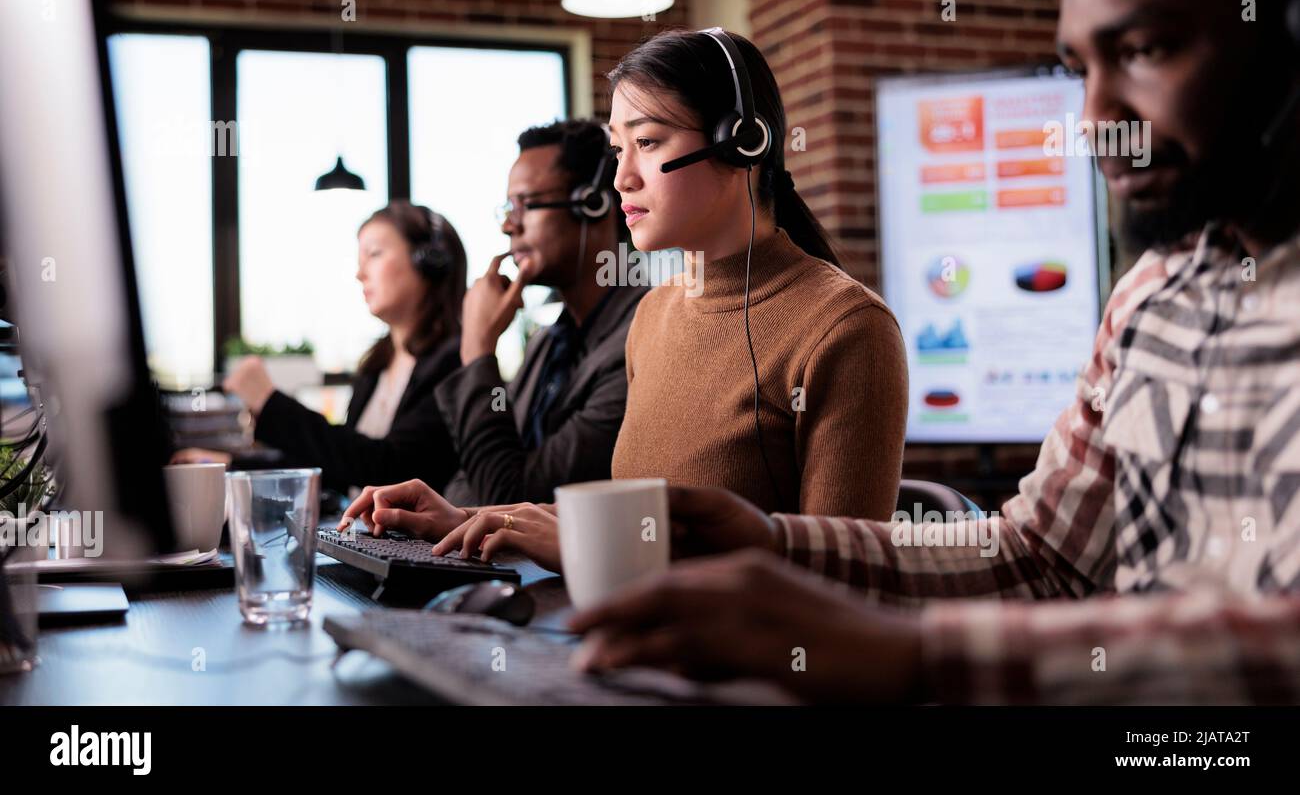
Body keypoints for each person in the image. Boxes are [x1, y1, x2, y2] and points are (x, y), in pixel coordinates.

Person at [559, 0, 1300, 704]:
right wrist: (773, 544)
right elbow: (1042, 554)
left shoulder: (841, 324)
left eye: (1144, 49)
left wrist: (911, 656)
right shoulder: (1153, 300)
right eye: (1077, 72)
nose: (1094, 120)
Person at [342, 30, 910, 550]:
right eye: (619, 149)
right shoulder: (654, 315)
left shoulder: (847, 328)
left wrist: (583, 549)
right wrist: (470, 517)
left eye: (649, 142)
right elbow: (639, 529)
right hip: (624, 636)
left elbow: (842, 582)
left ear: (742, 143)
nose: (621, 178)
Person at [173, 201, 465, 494]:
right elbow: (339, 467)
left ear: (430, 260)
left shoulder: (455, 362)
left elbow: (389, 467)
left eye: (374, 254)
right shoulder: (377, 365)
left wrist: (270, 403)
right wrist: (231, 465)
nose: (360, 273)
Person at [433, 119, 647, 506]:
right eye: (508, 208)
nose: (507, 226)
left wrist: (478, 350)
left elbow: (508, 495)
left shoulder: (642, 338)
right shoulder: (546, 344)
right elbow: (470, 481)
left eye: (526, 205)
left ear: (592, 203)